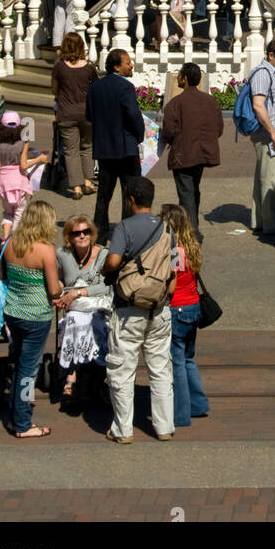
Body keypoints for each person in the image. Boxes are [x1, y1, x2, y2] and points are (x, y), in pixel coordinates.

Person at [103, 176, 177, 442]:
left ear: (131, 199)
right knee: (160, 368)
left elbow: (112, 260)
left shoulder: (124, 227)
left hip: (129, 309)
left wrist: (108, 268)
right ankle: (164, 427)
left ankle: (123, 430)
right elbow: (174, 267)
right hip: (158, 308)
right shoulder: (167, 228)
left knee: (123, 369)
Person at [3, 200, 62, 438]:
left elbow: (6, 275)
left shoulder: (9, 243)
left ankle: (15, 408)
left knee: (18, 362)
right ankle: (23, 423)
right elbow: (54, 290)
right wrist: (59, 288)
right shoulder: (45, 250)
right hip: (36, 315)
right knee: (29, 370)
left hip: (13, 310)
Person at [86, 48, 146, 244]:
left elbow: (89, 115)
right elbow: (133, 115)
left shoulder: (95, 87)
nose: (131, 65)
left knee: (104, 195)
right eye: (128, 62)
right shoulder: (125, 87)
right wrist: (139, 135)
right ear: (116, 66)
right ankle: (127, 235)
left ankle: (100, 235)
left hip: (104, 149)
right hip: (126, 148)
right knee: (130, 194)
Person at [161, 62, 224, 239]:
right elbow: (218, 129)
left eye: (180, 75)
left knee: (187, 193)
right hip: (203, 154)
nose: (178, 79)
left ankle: (192, 233)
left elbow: (169, 132)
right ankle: (192, 225)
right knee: (193, 189)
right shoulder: (210, 101)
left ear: (185, 79)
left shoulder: (175, 104)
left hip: (183, 155)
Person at [55, 214, 111, 406]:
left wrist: (77, 292)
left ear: (92, 234)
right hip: (75, 308)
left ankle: (90, 378)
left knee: (95, 323)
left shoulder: (103, 254)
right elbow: (57, 280)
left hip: (98, 305)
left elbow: (107, 286)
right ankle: (71, 376)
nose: (82, 236)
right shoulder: (62, 254)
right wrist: (58, 292)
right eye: (76, 233)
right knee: (74, 322)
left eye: (86, 232)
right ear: (69, 237)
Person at [160, 203, 209, 425]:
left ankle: (180, 413)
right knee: (188, 358)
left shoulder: (175, 251)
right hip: (194, 306)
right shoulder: (193, 246)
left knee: (176, 361)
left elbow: (172, 281)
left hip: (177, 308)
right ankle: (198, 404)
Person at [248, 38, 275, 235]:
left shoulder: (272, 72)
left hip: (273, 133)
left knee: (265, 177)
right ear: (271, 55)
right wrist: (273, 132)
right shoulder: (263, 74)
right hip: (269, 135)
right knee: (271, 180)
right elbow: (258, 105)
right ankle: (271, 224)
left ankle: (261, 220)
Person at [51, 33, 98, 201]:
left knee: (71, 151)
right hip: (87, 113)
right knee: (87, 148)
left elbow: (54, 90)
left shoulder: (60, 67)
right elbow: (95, 89)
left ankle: (76, 187)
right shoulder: (90, 67)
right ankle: (88, 182)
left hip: (66, 113)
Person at [0, 110, 48, 240]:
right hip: (18, 183)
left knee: (7, 213)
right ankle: (14, 239)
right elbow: (23, 166)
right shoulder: (23, 143)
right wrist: (38, 160)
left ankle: (5, 238)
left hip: (3, 184)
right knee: (19, 213)